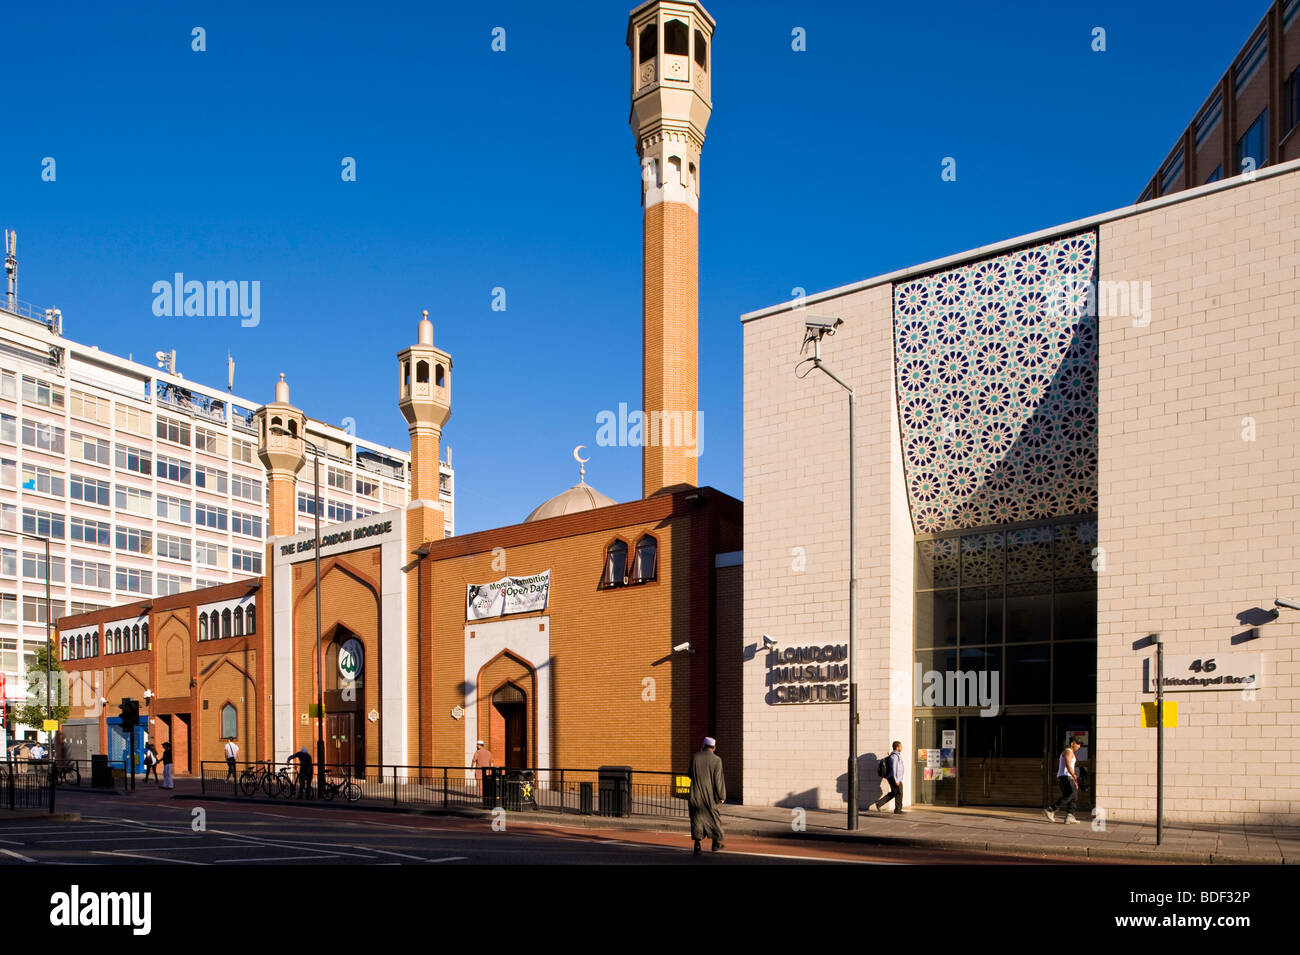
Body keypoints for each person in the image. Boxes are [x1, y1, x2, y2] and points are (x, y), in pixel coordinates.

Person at [687, 736, 726, 855]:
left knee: (696, 820)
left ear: (703, 745)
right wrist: (722, 795)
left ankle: (697, 846)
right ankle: (715, 843)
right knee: (714, 819)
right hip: (710, 797)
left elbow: (689, 774)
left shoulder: (695, 757)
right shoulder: (717, 760)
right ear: (714, 747)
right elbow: (718, 780)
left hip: (695, 795)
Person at [1044, 738, 1082, 824]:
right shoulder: (1068, 751)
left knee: (1074, 796)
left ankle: (1070, 816)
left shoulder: (1071, 752)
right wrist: (1074, 776)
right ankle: (1050, 809)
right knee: (1070, 794)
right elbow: (1068, 765)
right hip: (1065, 777)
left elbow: (1070, 767)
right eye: (1078, 744)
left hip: (1068, 777)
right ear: (1072, 743)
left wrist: (1074, 781)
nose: (1079, 746)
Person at [871, 741, 905, 813]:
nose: (901, 748)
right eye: (900, 746)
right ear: (897, 747)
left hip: (896, 778)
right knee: (899, 793)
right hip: (893, 777)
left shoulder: (897, 755)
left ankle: (879, 803)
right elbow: (894, 768)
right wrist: (896, 780)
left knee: (895, 792)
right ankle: (898, 810)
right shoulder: (894, 756)